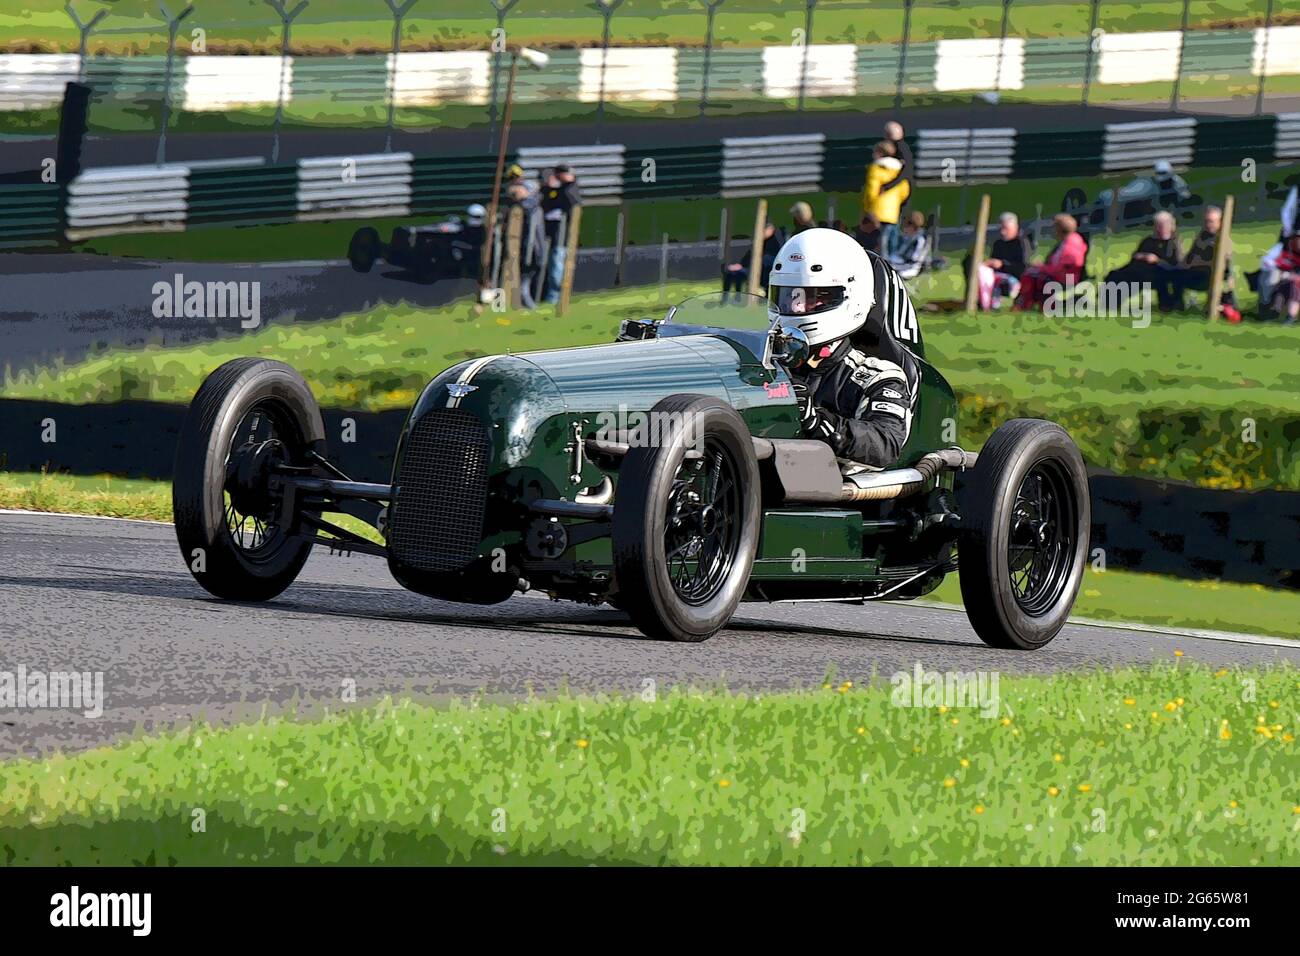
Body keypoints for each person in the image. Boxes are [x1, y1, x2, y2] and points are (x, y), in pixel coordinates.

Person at [767, 227, 923, 469]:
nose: (796, 308)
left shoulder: (877, 376)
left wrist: (817, 421)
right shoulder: (767, 363)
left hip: (830, 495)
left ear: (852, 296)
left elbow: (886, 444)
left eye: (814, 297)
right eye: (789, 296)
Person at [1165, 206, 1238, 319]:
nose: (1209, 224)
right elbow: (1190, 257)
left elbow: (1223, 266)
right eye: (1206, 221)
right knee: (1173, 275)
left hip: (1212, 277)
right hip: (1196, 273)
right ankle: (1175, 306)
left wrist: (1195, 263)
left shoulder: (1222, 240)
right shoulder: (1202, 236)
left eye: (1211, 221)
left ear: (1220, 222)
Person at [1105, 210, 1183, 311]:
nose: (1160, 228)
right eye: (1158, 225)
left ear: (1170, 225)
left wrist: (1157, 260)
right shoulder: (1149, 240)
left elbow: (1176, 265)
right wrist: (1141, 256)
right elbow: (1136, 255)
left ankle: (1167, 305)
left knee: (1156, 278)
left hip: (1162, 273)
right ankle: (1110, 302)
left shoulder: (1173, 243)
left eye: (1163, 225)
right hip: (1141, 271)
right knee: (1115, 274)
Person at [1013, 214, 1087, 311]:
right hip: (1059, 275)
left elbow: (1061, 269)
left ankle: (1023, 305)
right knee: (1032, 273)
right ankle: (1026, 303)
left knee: (1030, 275)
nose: (1053, 231)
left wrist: (1042, 268)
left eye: (1055, 227)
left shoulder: (1071, 246)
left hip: (1065, 279)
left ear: (1060, 229)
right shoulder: (1066, 241)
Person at [964, 211, 1033, 310]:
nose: (1002, 232)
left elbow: (1023, 268)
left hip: (1015, 278)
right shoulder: (998, 244)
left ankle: (989, 303)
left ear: (1015, 228)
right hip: (997, 275)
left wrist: (1002, 264)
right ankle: (980, 301)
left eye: (1006, 229)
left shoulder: (1022, 244)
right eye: (1001, 229)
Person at [540, 164, 582, 304]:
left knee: (557, 265)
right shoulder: (557, 191)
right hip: (555, 236)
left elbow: (567, 199)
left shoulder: (569, 190)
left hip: (563, 236)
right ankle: (553, 296)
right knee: (554, 264)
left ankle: (555, 297)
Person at [861, 140, 910, 258]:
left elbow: (871, 190)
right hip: (893, 212)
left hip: (876, 211)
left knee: (879, 245)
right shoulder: (898, 170)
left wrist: (867, 208)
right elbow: (904, 191)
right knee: (891, 243)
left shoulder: (876, 168)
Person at [721, 220, 785, 299]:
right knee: (730, 273)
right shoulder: (759, 241)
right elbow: (749, 256)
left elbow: (771, 260)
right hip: (751, 268)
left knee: (764, 260)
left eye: (763, 231)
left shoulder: (777, 242)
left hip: (764, 272)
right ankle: (728, 298)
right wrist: (740, 265)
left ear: (770, 229)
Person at [1264, 233, 1300, 325]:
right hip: (1289, 281)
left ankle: (1290, 317)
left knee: (1295, 288)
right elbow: (1276, 265)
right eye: (1296, 239)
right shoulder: (1288, 254)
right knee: (1282, 287)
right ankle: (1275, 311)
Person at [880, 120, 913, 211]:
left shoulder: (899, 150)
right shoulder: (903, 148)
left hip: (899, 191)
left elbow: (904, 173)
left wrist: (888, 186)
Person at [888, 211, 929, 280]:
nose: (904, 227)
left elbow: (911, 260)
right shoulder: (908, 237)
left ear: (912, 226)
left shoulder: (919, 240)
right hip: (900, 262)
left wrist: (894, 264)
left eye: (906, 225)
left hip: (909, 267)